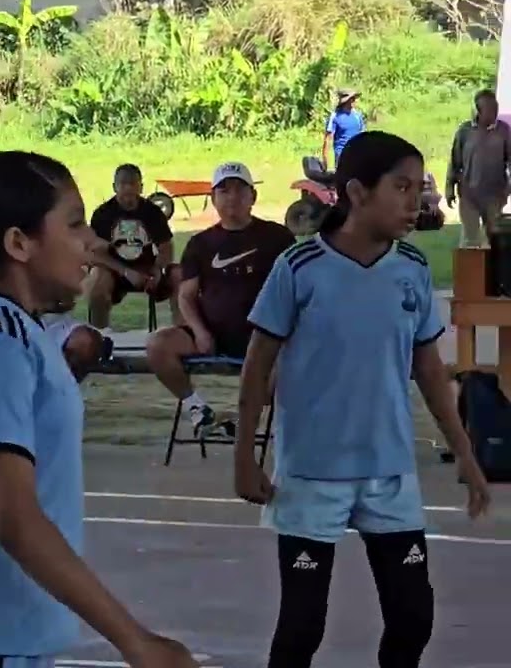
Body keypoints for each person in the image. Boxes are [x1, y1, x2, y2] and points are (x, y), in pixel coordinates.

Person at [0, 150, 198, 668]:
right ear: (19, 244)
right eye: (75, 224)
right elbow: (15, 518)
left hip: (1, 631)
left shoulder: (16, 331)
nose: (93, 242)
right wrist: (135, 640)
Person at [234, 131, 492, 668]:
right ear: (357, 192)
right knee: (302, 627)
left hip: (389, 472)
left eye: (419, 187)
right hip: (311, 474)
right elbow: (257, 365)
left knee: (412, 617)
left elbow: (428, 367)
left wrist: (465, 452)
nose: (415, 201)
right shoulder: (300, 267)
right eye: (401, 187)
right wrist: (244, 455)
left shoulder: (412, 269)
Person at [145, 162, 293, 438]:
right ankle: (198, 409)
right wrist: (200, 331)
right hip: (212, 333)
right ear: (213, 199)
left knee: (290, 363)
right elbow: (186, 296)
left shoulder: (278, 237)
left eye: (239, 190)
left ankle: (244, 423)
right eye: (224, 191)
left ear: (253, 196)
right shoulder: (200, 243)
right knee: (157, 345)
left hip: (263, 335)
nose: (232, 197)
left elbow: (295, 289)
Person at [86, 163, 179, 330]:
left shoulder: (152, 212)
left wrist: (157, 269)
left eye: (133, 184)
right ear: (114, 187)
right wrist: (126, 272)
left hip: (146, 270)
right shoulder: (103, 214)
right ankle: (100, 334)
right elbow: (96, 254)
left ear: (141, 187)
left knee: (179, 275)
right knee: (97, 278)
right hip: (114, 271)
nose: (128, 189)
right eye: (123, 184)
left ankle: (183, 331)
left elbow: (165, 246)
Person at [445, 89, 511, 247]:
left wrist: (508, 189)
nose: (494, 112)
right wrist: (449, 188)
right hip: (469, 194)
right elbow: (455, 162)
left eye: (495, 108)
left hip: (495, 194)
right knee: (471, 240)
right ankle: (471, 262)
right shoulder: (465, 131)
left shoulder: (504, 131)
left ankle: (495, 263)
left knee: (495, 238)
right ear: (478, 111)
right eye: (489, 109)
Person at [322, 88, 365, 168]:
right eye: (352, 99)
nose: (354, 101)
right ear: (347, 101)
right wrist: (325, 160)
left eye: (354, 99)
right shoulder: (335, 116)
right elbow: (328, 139)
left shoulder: (357, 116)